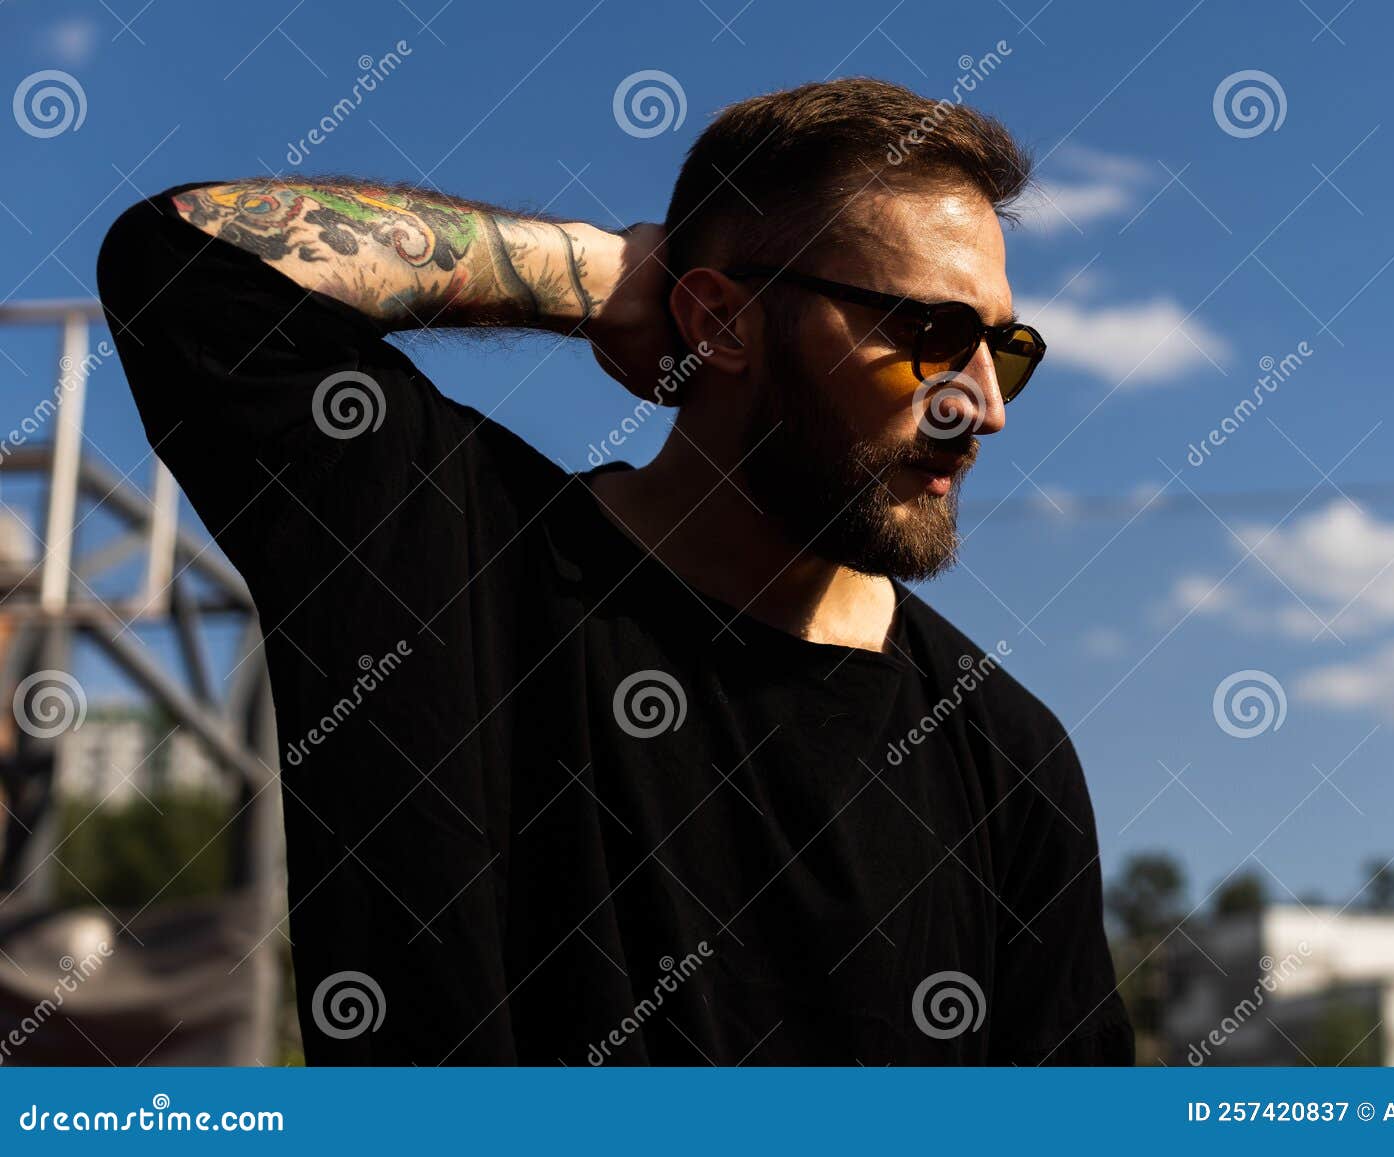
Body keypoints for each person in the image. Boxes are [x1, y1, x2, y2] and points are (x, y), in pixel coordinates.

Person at [97, 77, 1131, 1065]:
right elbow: (186, 261)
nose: (984, 407)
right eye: (931, 334)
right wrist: (608, 278)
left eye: (1005, 348)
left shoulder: (1005, 758)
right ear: (721, 319)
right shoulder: (451, 560)